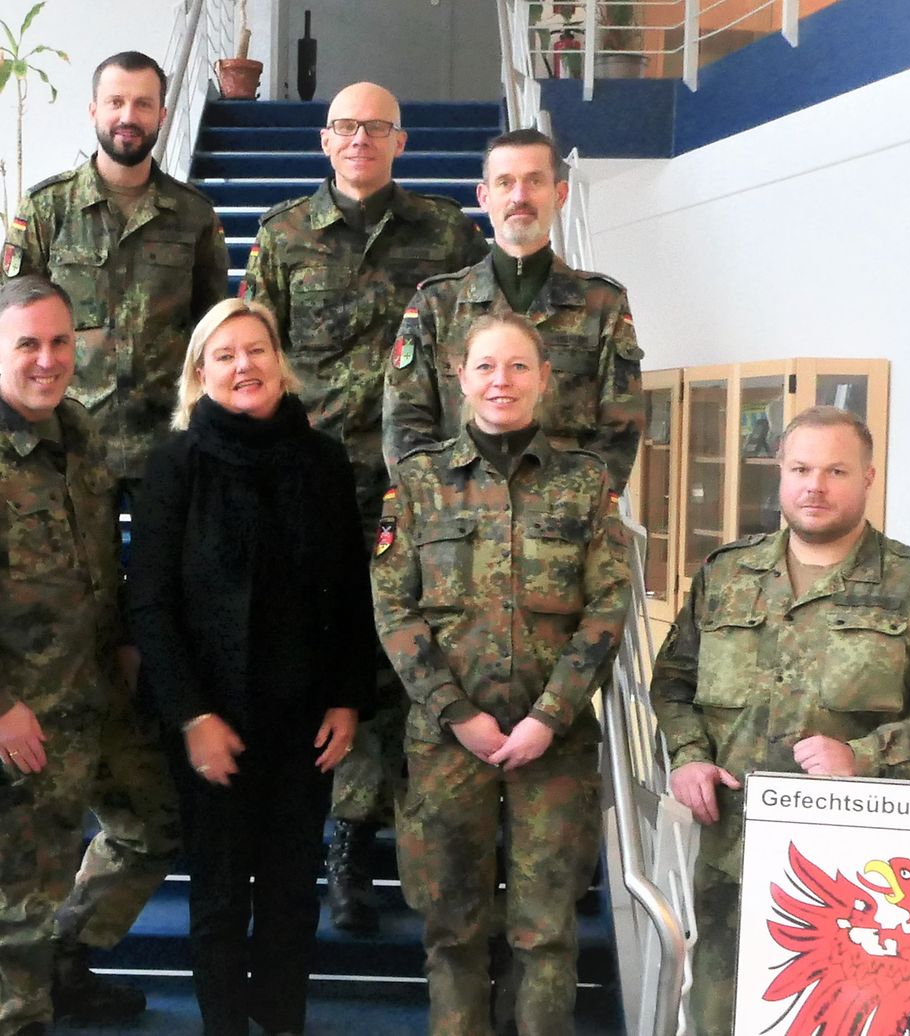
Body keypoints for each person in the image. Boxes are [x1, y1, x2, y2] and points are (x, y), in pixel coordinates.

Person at [650, 405, 910, 1032]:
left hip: (865, 873)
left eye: (836, 470)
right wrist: (687, 756)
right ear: (779, 473)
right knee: (720, 1011)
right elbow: (674, 682)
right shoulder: (726, 574)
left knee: (850, 1017)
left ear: (868, 478)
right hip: (737, 846)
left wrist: (864, 755)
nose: (815, 485)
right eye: (801, 468)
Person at [240, 80, 488, 932]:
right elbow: (253, 356)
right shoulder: (282, 235)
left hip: (416, 490)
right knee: (325, 658)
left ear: (400, 140)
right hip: (312, 487)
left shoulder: (446, 231)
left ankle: (375, 847)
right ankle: (331, 846)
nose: (359, 140)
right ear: (324, 139)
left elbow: (470, 352)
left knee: (402, 662)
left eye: (375, 127)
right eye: (345, 126)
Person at [0, 276, 180, 1036]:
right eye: (28, 344)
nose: (46, 360)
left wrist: (125, 642)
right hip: (16, 711)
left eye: (60, 343)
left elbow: (106, 558)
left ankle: (67, 954)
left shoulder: (84, 434)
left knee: (155, 826)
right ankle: (16, 1018)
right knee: (12, 887)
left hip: (96, 696)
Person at [373, 313, 630, 1036]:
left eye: (519, 367)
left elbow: (608, 607)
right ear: (459, 377)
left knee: (544, 932)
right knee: (453, 930)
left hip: (557, 745)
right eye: (486, 366)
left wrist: (551, 714)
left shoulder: (584, 483)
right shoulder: (420, 483)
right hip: (449, 744)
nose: (502, 381)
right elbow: (393, 609)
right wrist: (458, 713)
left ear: (545, 379)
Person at [129, 298, 376, 1036]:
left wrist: (346, 699)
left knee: (292, 894)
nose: (245, 365)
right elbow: (149, 604)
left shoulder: (323, 460)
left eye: (257, 349)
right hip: (211, 719)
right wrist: (191, 717)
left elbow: (349, 587)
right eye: (226, 354)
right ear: (200, 373)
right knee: (219, 897)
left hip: (304, 719)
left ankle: (281, 1022)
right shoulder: (173, 464)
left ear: (279, 361)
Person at [0, 49, 227, 488]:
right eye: (116, 102)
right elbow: (10, 317)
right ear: (93, 111)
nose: (128, 116)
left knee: (164, 559)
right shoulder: (49, 208)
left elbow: (211, 325)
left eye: (143, 104)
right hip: (69, 433)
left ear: (161, 114)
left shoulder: (193, 214)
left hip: (167, 437)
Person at [383, 127, 645, 489]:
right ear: (485, 196)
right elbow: (404, 424)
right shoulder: (437, 304)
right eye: (505, 183)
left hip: (561, 524)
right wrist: (440, 505)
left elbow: (620, 428)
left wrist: (578, 505)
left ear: (560, 194)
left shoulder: (602, 304)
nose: (519, 196)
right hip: (457, 521)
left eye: (534, 181)